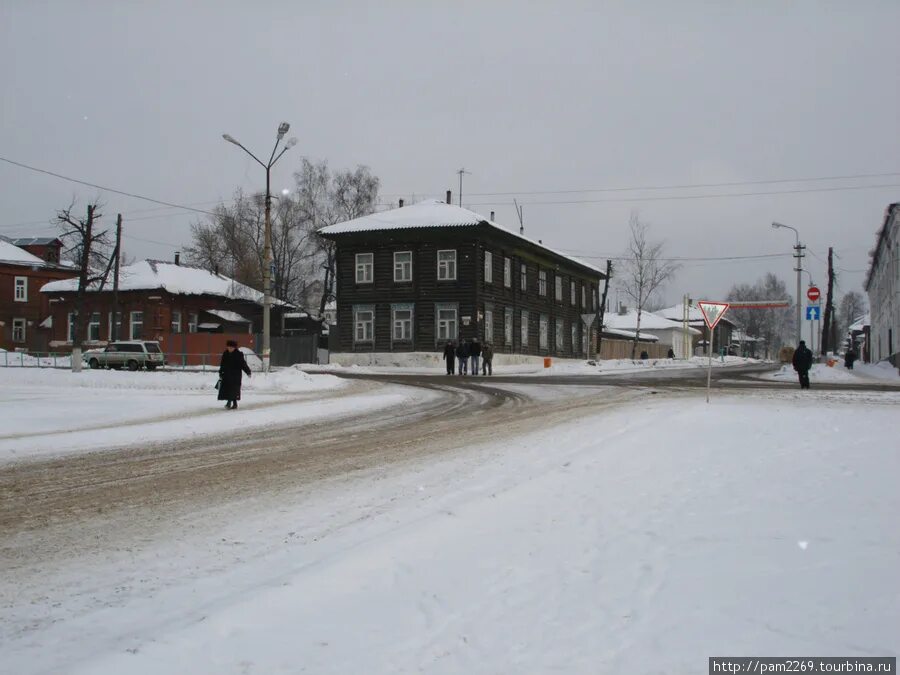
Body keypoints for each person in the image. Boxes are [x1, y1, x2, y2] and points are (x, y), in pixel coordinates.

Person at [218, 340, 252, 409]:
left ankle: (228, 403)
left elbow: (243, 364)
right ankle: (235, 404)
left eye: (231, 347)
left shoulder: (238, 354)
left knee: (233, 389)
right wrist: (221, 372)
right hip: (227, 374)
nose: (229, 349)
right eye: (228, 347)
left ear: (234, 348)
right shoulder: (225, 354)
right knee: (229, 389)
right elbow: (222, 364)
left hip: (235, 375)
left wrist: (248, 371)